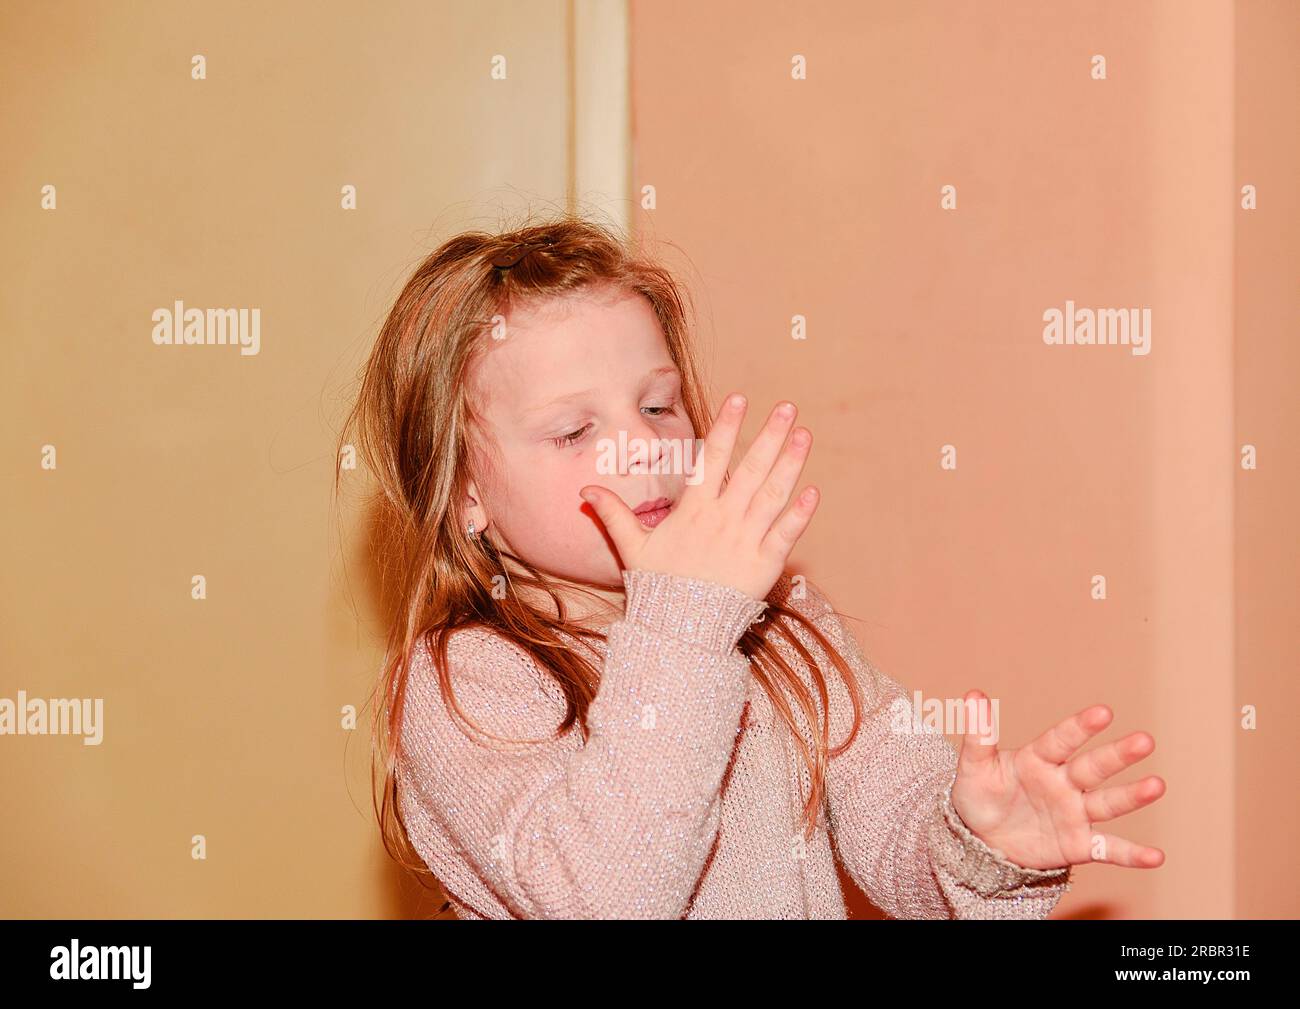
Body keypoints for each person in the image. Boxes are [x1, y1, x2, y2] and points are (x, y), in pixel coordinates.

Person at [338, 214, 1166, 919]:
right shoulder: (469, 683)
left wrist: (981, 838)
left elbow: (896, 820)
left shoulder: (779, 625)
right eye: (573, 431)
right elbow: (605, 896)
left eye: (657, 404)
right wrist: (686, 620)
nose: (643, 444)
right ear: (461, 496)